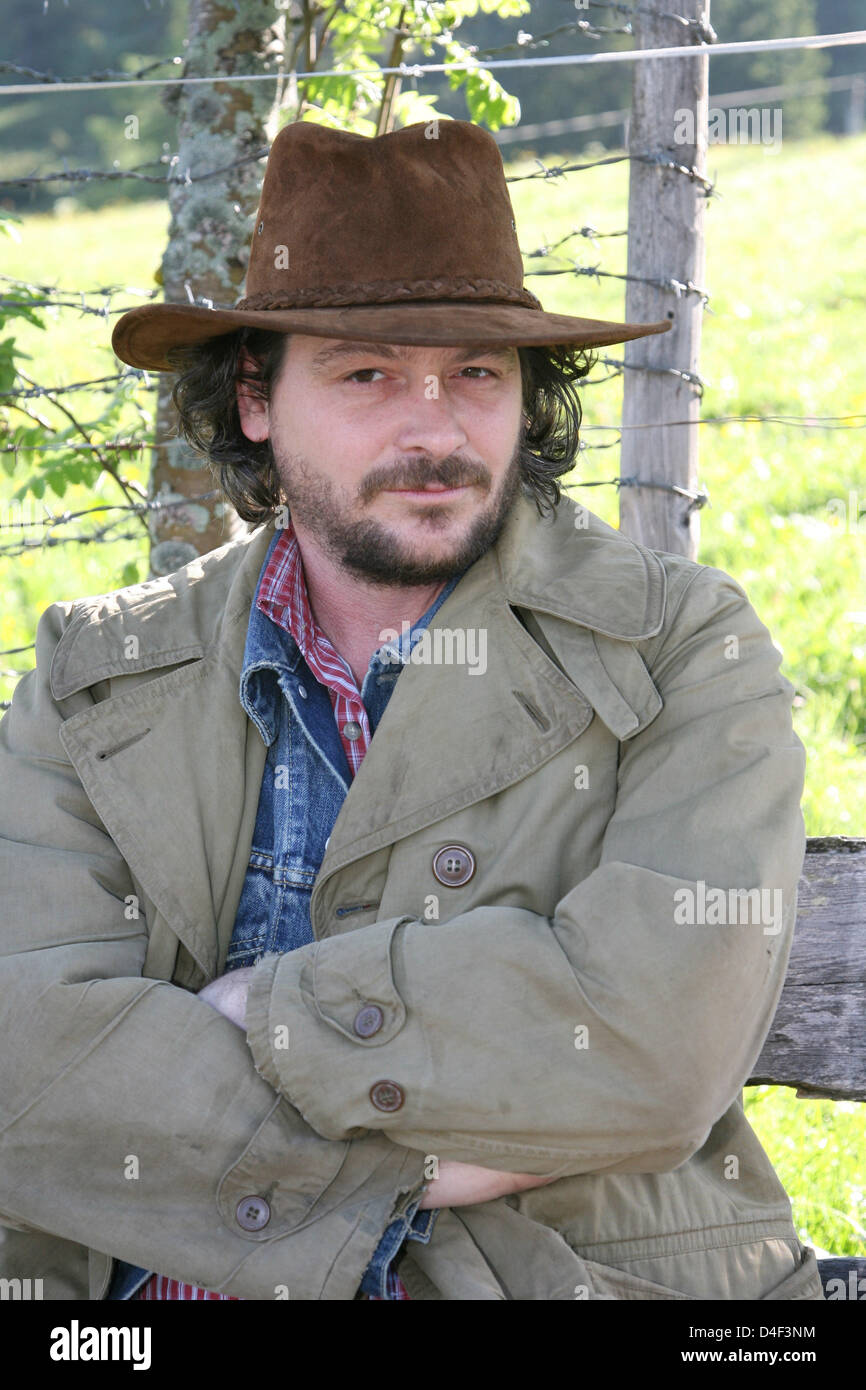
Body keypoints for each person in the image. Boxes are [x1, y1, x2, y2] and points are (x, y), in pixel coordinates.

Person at [0, 118, 825, 1301]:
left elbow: (655, 1051)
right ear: (254, 401)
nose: (433, 427)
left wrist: (262, 1010)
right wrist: (445, 1139)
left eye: (475, 373)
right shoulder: (97, 675)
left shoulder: (676, 647)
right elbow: (24, 1063)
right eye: (366, 373)